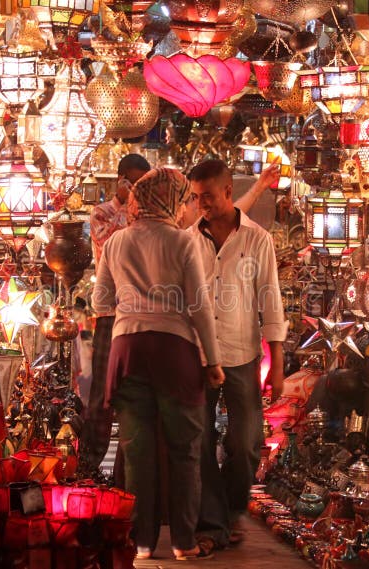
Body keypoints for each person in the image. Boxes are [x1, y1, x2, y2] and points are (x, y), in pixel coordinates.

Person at [93, 168, 225, 561]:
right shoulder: (182, 243)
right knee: (184, 449)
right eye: (187, 200)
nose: (190, 209)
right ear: (171, 201)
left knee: (136, 451)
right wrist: (213, 360)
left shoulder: (116, 242)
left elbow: (101, 300)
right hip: (174, 352)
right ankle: (184, 541)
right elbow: (199, 306)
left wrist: (132, 307)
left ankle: (143, 543)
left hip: (127, 349)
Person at [187, 159, 288, 552]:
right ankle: (212, 525)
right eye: (196, 199)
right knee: (199, 440)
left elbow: (271, 302)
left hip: (242, 355)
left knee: (246, 444)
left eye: (208, 197)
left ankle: (227, 513)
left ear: (228, 192)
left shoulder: (257, 240)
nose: (202, 206)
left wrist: (277, 367)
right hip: (196, 355)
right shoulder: (188, 239)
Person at [82, 154, 151, 472]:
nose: (139, 188)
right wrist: (126, 205)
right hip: (110, 312)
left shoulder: (148, 215)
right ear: (122, 179)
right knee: (102, 393)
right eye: (134, 182)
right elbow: (110, 241)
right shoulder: (102, 212)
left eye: (143, 184)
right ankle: (90, 465)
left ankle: (128, 471)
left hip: (140, 312)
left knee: (136, 392)